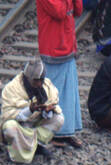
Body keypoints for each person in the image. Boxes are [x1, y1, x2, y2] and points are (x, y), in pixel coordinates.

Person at [0, 59, 65, 165]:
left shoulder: (47, 86)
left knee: (59, 118)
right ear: (28, 78)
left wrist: (47, 111)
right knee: (9, 127)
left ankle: (36, 145)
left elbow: (53, 104)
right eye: (36, 80)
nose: (39, 83)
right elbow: (9, 114)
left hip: (37, 123)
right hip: (21, 125)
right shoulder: (12, 88)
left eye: (41, 80)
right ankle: (20, 155)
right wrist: (30, 110)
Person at [37, 0, 84, 146]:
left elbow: (78, 10)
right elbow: (59, 11)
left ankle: (67, 130)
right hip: (53, 47)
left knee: (69, 91)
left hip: (67, 44)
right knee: (53, 91)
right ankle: (53, 131)